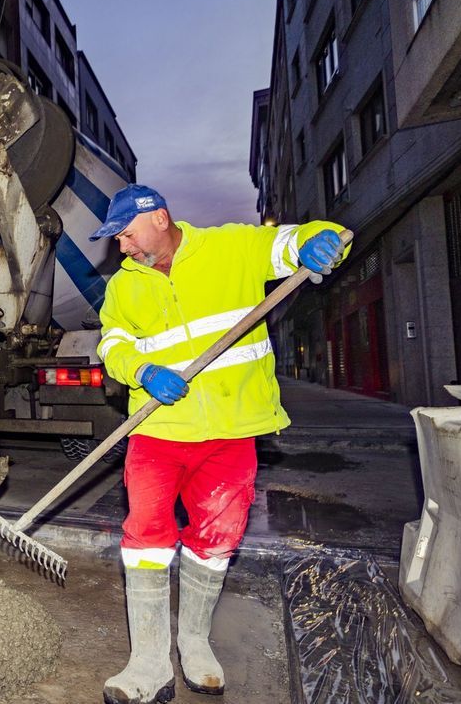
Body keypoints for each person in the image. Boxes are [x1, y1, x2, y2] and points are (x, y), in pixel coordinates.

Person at [93, 185, 347, 703]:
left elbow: (290, 243)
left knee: (216, 541)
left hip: (228, 431)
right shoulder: (124, 286)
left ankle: (194, 643)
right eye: (117, 238)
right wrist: (141, 368)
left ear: (160, 218)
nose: (122, 246)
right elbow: (111, 342)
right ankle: (147, 663)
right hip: (158, 430)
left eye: (126, 234)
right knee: (145, 538)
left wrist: (320, 240)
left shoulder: (229, 249)